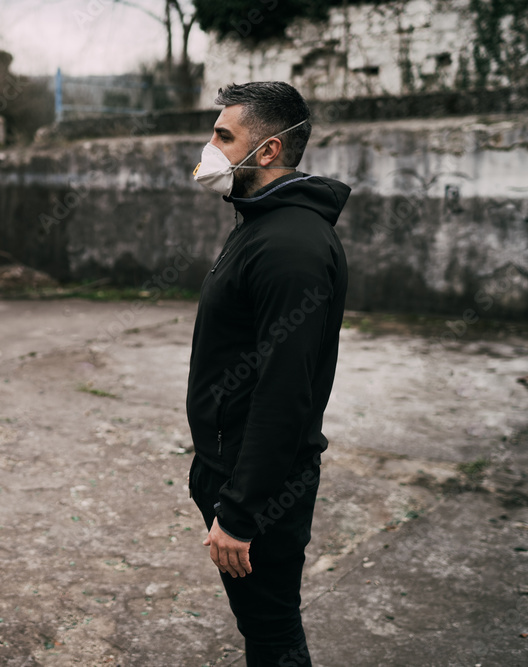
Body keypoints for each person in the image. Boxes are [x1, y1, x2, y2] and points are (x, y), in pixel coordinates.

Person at [186, 82, 350, 666]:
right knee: (265, 624)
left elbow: (286, 392)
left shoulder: (290, 245)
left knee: (273, 631)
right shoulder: (260, 224)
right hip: (231, 472)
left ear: (270, 150)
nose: (209, 148)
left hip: (257, 488)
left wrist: (241, 510)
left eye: (224, 136)